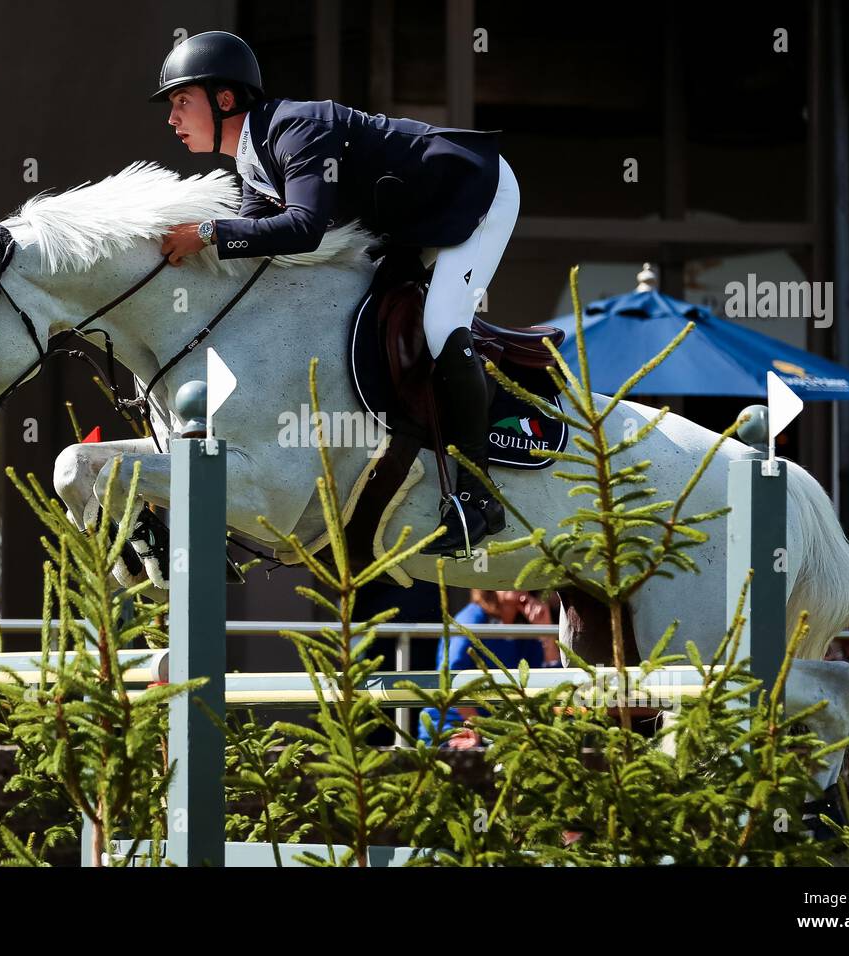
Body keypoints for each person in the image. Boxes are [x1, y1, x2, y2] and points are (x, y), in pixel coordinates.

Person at [150, 31, 520, 558]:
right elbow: (263, 253)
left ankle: (479, 497)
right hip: (411, 221)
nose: (172, 119)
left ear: (224, 99)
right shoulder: (254, 162)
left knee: (441, 324)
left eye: (181, 102)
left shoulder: (296, 129)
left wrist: (206, 233)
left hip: (474, 193)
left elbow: (303, 228)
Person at [418, 589, 558, 749]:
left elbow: (552, 683)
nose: (514, 581)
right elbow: (451, 678)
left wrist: (547, 634)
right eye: (505, 571)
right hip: (454, 728)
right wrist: (478, 728)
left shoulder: (527, 626)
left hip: (505, 735)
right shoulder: (472, 618)